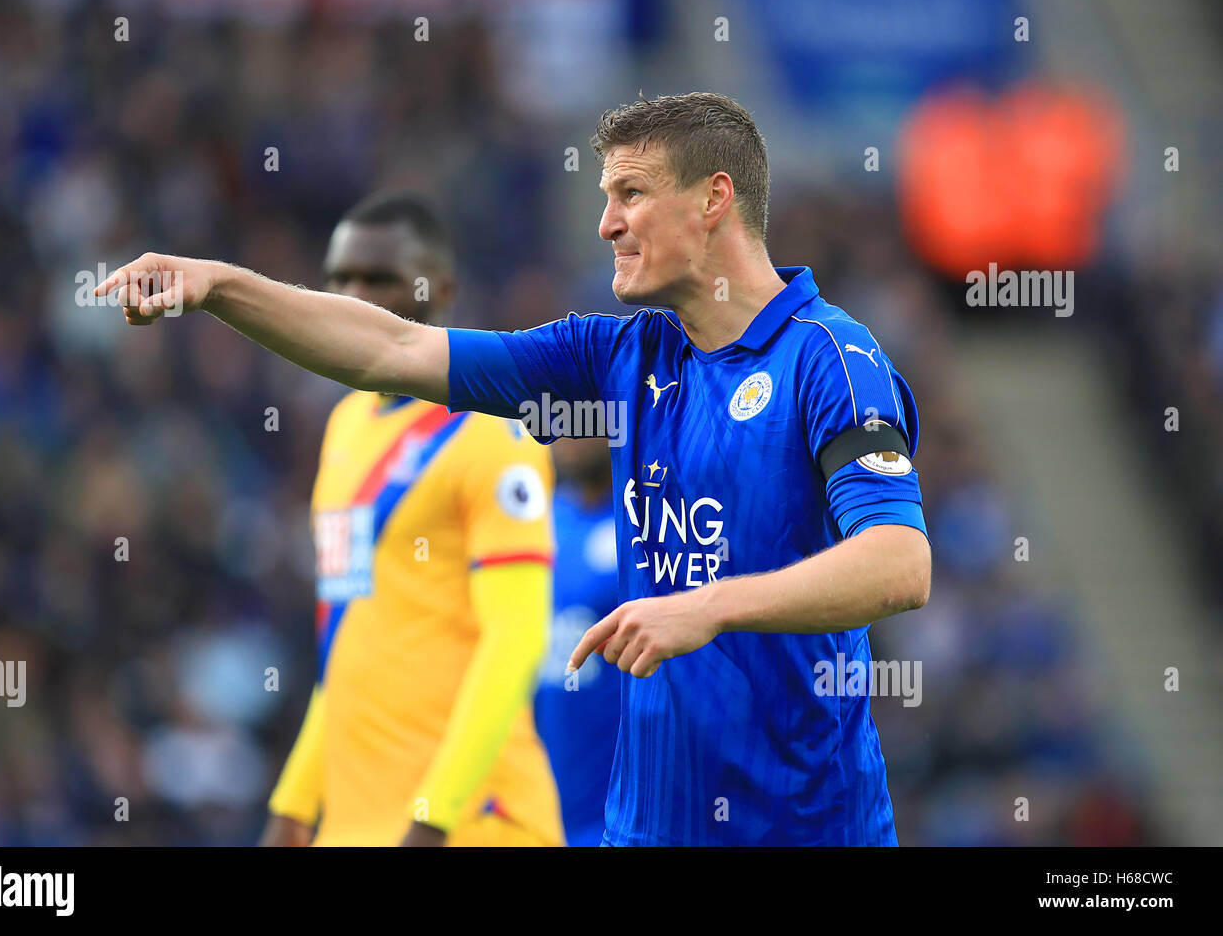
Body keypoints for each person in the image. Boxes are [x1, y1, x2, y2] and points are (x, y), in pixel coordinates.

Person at [100, 92, 931, 846]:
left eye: (631, 194)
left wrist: (707, 607)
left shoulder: (830, 357)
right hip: (644, 828)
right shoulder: (618, 354)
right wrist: (218, 285)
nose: (606, 222)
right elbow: (393, 347)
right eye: (605, 197)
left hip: (806, 826)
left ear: (714, 199)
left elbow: (900, 562)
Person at [256, 191, 563, 847]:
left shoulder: (491, 429)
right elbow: (350, 639)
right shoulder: (344, 427)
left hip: (476, 824)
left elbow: (515, 642)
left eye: (379, 278)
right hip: (357, 825)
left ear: (440, 288)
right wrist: (293, 803)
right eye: (340, 277)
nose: (353, 293)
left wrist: (432, 815)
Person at [535, 438, 620, 847]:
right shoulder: (540, 520)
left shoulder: (649, 528)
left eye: (583, 408)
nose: (565, 431)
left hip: (618, 823)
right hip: (536, 822)